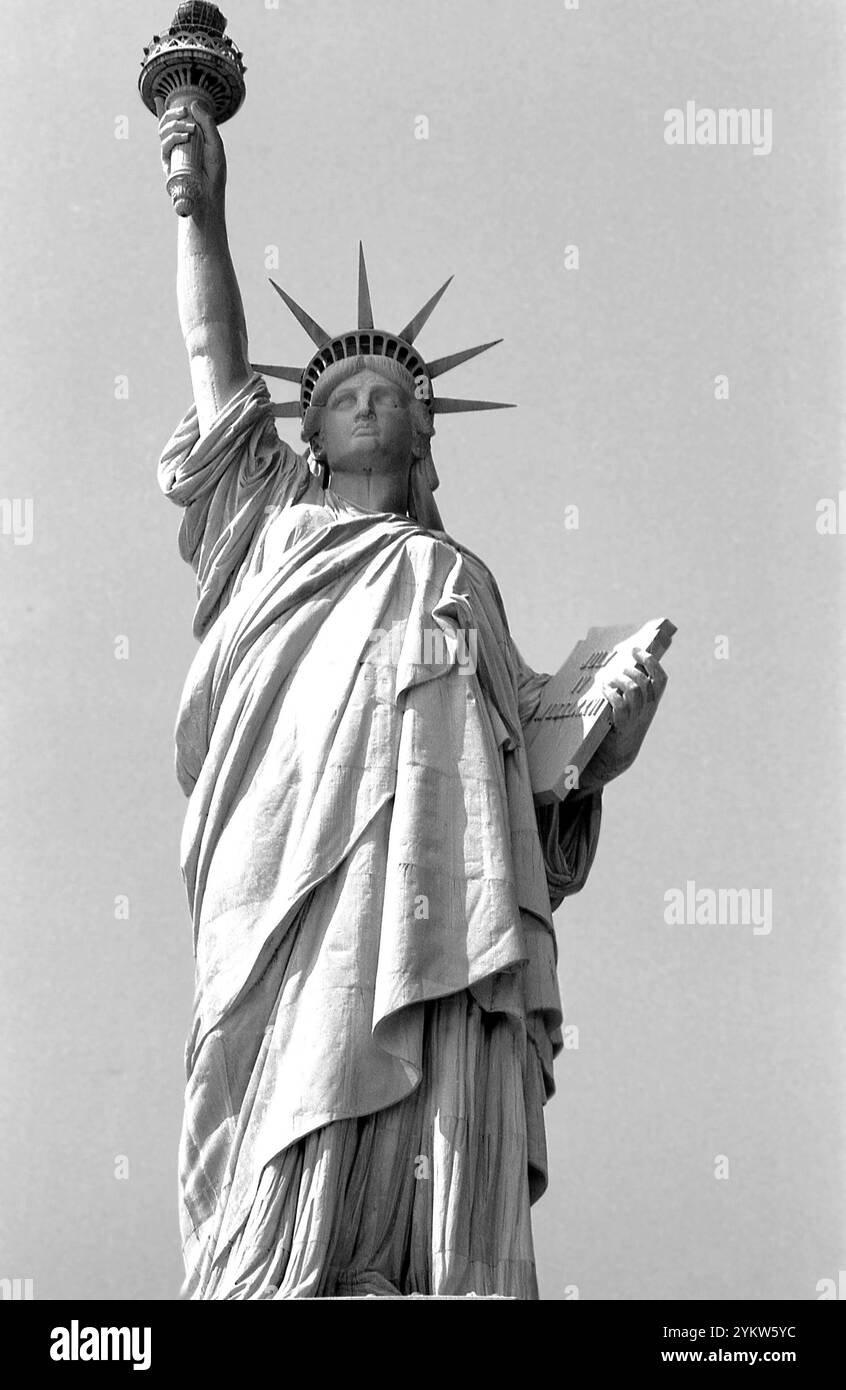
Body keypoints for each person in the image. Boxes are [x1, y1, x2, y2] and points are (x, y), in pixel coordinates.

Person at [155, 100, 668, 1300]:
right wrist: (202, 207)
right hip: (291, 859)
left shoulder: (455, 574)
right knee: (302, 1045)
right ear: (309, 437)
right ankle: (293, 1260)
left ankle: (429, 1263)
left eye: (389, 391)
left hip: (440, 878)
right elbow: (215, 358)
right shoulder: (273, 525)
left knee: (440, 1039)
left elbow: (534, 765)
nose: (366, 401)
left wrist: (607, 727)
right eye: (341, 393)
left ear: (423, 435)